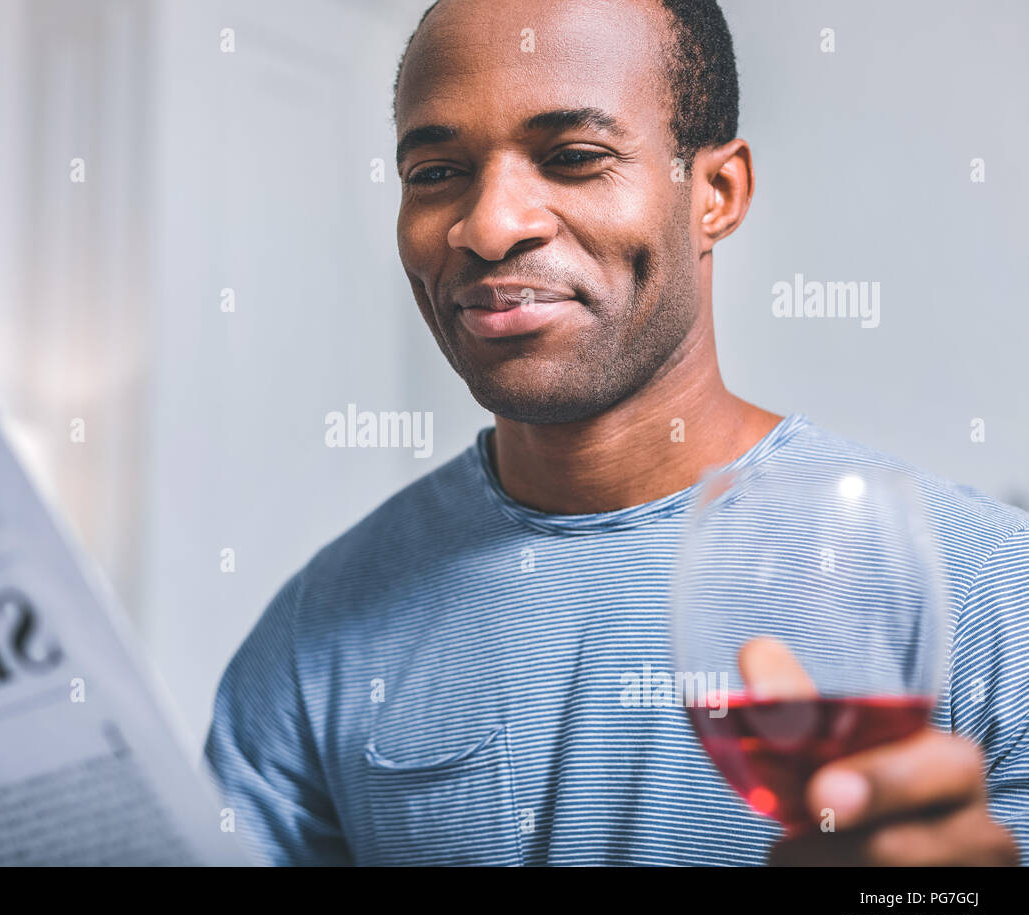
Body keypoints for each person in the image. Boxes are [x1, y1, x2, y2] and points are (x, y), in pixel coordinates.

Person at [204, 0, 1027, 865]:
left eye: (573, 158)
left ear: (716, 193)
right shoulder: (317, 629)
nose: (488, 226)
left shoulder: (991, 590)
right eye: (437, 172)